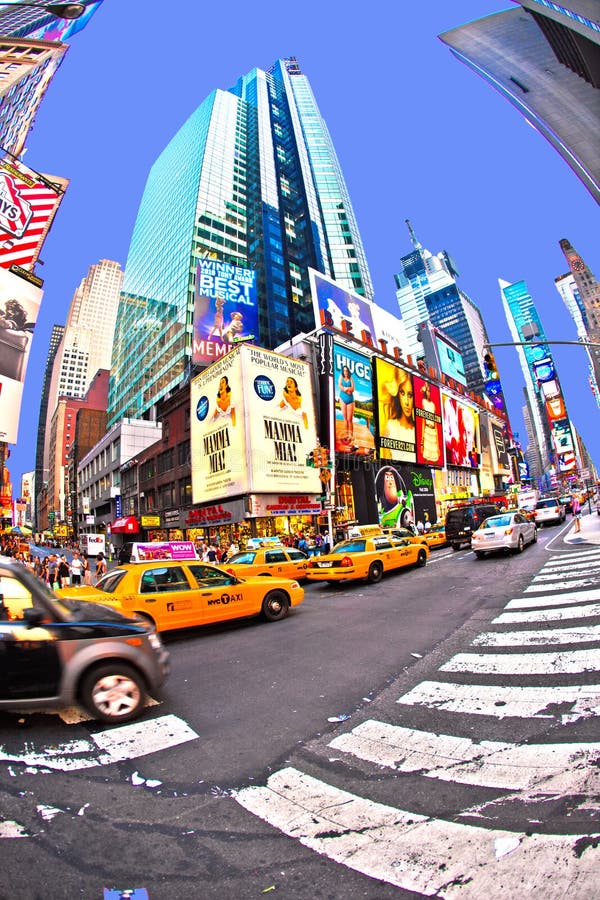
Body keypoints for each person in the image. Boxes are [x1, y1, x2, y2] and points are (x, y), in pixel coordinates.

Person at [380, 367, 415, 458]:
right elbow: (386, 465)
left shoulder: (418, 431)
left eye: (410, 395)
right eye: (402, 393)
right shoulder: (390, 427)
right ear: (397, 395)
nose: (407, 402)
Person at [419, 381, 440, 463]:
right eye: (427, 391)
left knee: (436, 460)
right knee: (426, 459)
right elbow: (423, 422)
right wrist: (422, 443)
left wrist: (438, 445)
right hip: (427, 431)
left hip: (433, 432)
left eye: (429, 391)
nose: (429, 393)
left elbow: (436, 425)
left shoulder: (433, 405)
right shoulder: (423, 402)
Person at [338, 365, 356, 445]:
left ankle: (351, 435)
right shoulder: (341, 377)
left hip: (350, 400)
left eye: (346, 370)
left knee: (350, 419)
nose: (345, 372)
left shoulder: (351, 378)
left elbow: (353, 389)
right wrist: (347, 389)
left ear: (348, 371)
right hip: (342, 398)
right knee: (345, 419)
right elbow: (340, 386)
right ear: (343, 371)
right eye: (344, 370)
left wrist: (347, 389)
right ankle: (346, 435)